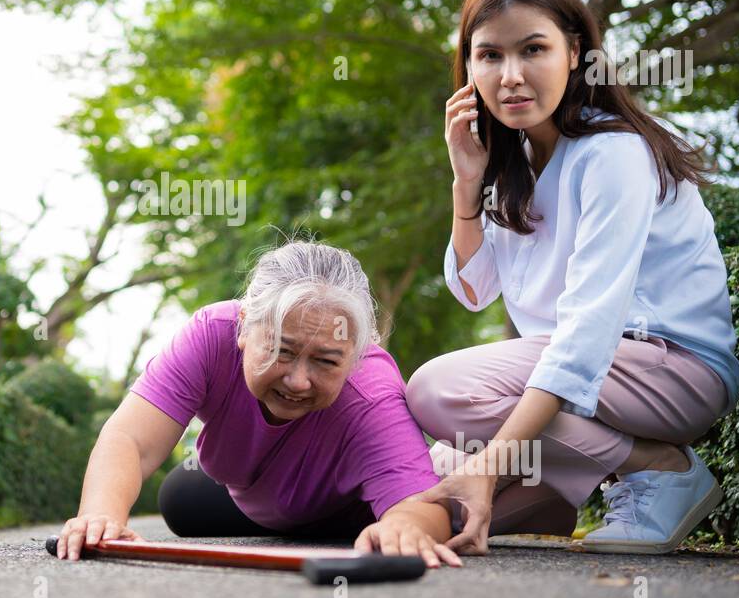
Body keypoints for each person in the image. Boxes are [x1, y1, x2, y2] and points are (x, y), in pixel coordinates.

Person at [406, 0, 739, 556]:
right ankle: (597, 481)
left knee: (439, 392)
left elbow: (588, 328)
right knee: (441, 463)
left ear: (576, 52)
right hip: (597, 375)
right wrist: (465, 184)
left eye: (533, 49)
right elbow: (475, 290)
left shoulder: (612, 152)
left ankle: (659, 467)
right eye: (489, 56)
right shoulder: (513, 164)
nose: (510, 76)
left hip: (671, 368)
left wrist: (493, 462)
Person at [55, 239, 467, 568]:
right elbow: (131, 438)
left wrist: (403, 528)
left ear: (356, 357)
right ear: (243, 330)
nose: (298, 380)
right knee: (178, 499)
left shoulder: (371, 393)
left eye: (325, 361)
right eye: (282, 352)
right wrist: (101, 517)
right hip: (254, 496)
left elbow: (424, 509)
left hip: (344, 513)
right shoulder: (210, 334)